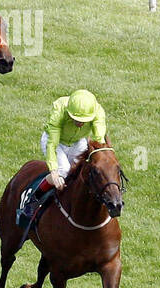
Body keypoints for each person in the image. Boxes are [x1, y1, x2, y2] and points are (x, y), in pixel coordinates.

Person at [22, 89, 108, 220]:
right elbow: (52, 144)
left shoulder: (98, 112)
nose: (79, 123)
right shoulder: (60, 109)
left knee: (84, 172)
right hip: (56, 142)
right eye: (75, 119)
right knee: (64, 171)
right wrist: (54, 171)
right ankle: (32, 201)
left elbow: (99, 142)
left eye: (83, 121)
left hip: (78, 142)